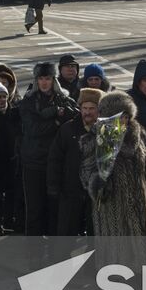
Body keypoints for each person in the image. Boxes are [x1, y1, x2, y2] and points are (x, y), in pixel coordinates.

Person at [79, 91, 146, 265]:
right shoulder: (96, 137)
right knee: (116, 243)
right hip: (112, 202)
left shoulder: (137, 135)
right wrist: (99, 185)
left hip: (138, 199)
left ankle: (140, 272)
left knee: (141, 240)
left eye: (126, 116)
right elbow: (86, 170)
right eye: (119, 116)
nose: (123, 120)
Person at [20, 62, 78, 237]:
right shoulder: (29, 101)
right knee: (35, 210)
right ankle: (34, 254)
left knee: (56, 210)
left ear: (54, 80)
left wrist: (61, 115)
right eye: (41, 78)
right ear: (36, 80)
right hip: (34, 162)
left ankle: (53, 251)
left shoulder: (65, 100)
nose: (44, 82)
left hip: (58, 163)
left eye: (48, 78)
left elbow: (75, 120)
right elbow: (33, 130)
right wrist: (56, 119)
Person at [50, 87, 101, 237]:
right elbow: (55, 158)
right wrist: (53, 185)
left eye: (92, 108)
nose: (87, 112)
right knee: (66, 233)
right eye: (84, 108)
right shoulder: (68, 129)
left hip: (95, 192)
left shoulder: (106, 131)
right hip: (71, 190)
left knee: (95, 234)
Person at [0, 82, 23, 235]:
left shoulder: (14, 114)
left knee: (11, 194)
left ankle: (9, 221)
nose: (1, 100)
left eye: (4, 97)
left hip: (12, 160)